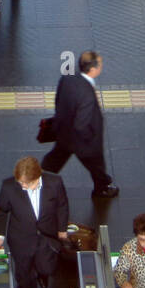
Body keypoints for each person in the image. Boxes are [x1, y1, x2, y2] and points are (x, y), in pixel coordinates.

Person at [0, 158, 70, 288]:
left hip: (47, 237)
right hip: (21, 240)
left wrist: (62, 230)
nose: (22, 186)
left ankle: (41, 274)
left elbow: (62, 206)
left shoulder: (55, 183)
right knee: (24, 278)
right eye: (20, 182)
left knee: (47, 267)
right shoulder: (8, 187)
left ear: (37, 178)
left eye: (26, 183)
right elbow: (1, 210)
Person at [41, 50, 119, 197]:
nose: (102, 67)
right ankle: (101, 189)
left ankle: (37, 180)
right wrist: (91, 140)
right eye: (100, 64)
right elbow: (81, 124)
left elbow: (58, 101)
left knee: (54, 159)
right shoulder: (87, 94)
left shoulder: (68, 78)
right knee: (96, 163)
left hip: (64, 133)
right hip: (82, 141)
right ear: (93, 69)